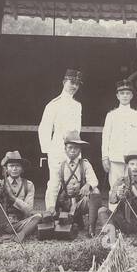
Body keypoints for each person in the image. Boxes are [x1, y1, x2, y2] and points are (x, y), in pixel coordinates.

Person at [38, 69, 83, 212]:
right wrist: (47, 150)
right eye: (71, 82)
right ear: (64, 82)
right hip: (57, 147)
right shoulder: (53, 104)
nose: (74, 86)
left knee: (74, 182)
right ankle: (50, 212)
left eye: (77, 84)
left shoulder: (78, 105)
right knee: (55, 183)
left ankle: (71, 215)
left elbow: (77, 130)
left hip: (74, 148)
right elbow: (44, 128)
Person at [0, 151, 43, 245]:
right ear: (6, 169)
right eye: (11, 166)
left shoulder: (28, 185)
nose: (14, 168)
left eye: (17, 166)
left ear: (22, 169)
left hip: (18, 224)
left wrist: (13, 198)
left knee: (38, 217)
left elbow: (29, 210)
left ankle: (20, 236)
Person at [46, 131, 101, 236]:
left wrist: (88, 185)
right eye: (70, 147)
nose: (72, 150)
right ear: (65, 149)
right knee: (50, 189)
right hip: (65, 203)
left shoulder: (84, 164)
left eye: (76, 148)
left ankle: (91, 228)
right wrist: (51, 206)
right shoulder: (59, 166)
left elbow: (94, 180)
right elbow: (53, 186)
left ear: (79, 150)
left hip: (80, 202)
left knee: (95, 191)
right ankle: (65, 220)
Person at [99, 152, 137, 247]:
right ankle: (111, 239)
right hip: (122, 221)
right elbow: (111, 200)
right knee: (102, 210)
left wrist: (136, 193)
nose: (135, 167)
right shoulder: (121, 181)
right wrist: (118, 194)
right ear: (127, 166)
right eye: (132, 164)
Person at [101, 78, 137, 198]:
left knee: (133, 187)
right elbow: (106, 137)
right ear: (117, 96)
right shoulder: (111, 115)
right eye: (122, 93)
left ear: (132, 95)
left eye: (127, 93)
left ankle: (130, 215)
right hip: (115, 158)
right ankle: (114, 213)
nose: (125, 96)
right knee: (115, 187)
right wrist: (105, 157)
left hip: (133, 160)